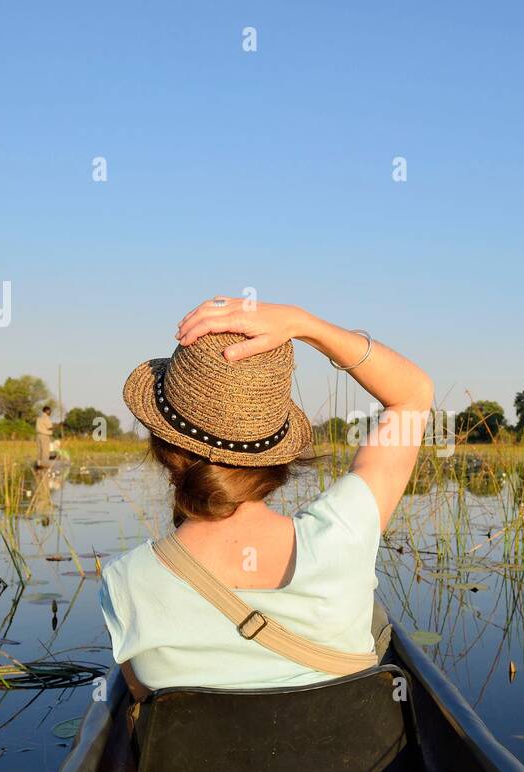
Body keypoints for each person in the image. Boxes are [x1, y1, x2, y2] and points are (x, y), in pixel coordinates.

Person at [99, 296, 432, 699]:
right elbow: (413, 395)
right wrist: (307, 324)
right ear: (277, 454)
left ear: (166, 448)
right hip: (346, 759)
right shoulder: (347, 532)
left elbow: (144, 715)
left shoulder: (125, 583)